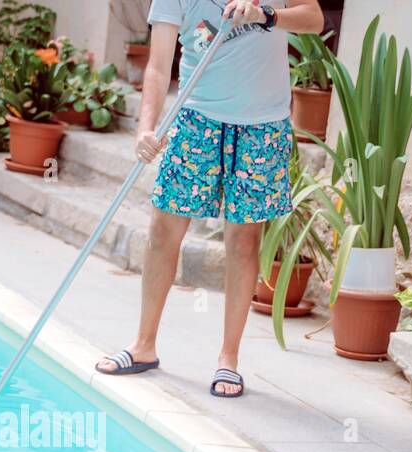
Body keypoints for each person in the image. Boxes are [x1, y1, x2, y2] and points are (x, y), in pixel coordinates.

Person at [95, 0, 326, 397]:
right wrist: (145, 128)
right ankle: (144, 346)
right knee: (163, 229)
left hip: (262, 126)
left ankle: (228, 360)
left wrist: (265, 15)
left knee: (243, 241)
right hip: (196, 120)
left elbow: (314, 20)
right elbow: (158, 63)